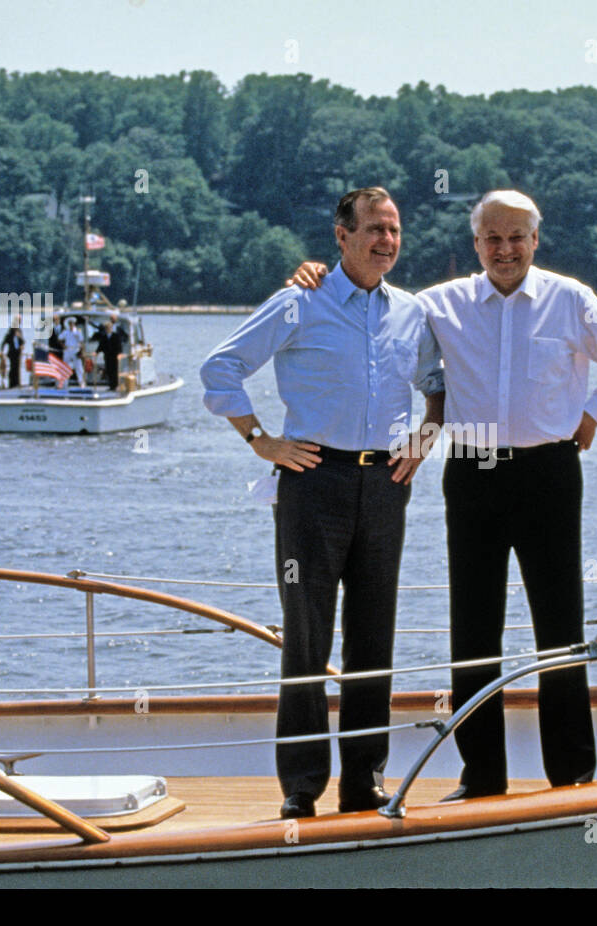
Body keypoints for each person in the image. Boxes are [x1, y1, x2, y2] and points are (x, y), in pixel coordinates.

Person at [290, 189, 597, 799]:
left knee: (559, 628)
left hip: (550, 471)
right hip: (474, 469)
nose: (504, 250)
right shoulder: (439, 304)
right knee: (473, 630)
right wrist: (314, 274)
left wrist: (590, 417)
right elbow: (373, 299)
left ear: (535, 241)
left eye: (516, 238)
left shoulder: (569, 300)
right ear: (476, 243)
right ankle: (482, 776)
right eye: (492, 239)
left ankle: (572, 774)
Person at [201, 187, 444, 819]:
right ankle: (301, 788)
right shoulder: (298, 302)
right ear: (341, 236)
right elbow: (220, 368)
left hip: (387, 484)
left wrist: (428, 430)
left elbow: (437, 383)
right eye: (372, 229)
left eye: (393, 229)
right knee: (306, 638)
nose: (385, 240)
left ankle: (363, 782)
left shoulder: (412, 312)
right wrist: (261, 440)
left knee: (374, 638)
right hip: (312, 482)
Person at [93, 315, 124, 390]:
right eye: (106, 328)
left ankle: (115, 385)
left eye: (109, 328)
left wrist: (119, 353)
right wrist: (96, 352)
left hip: (114, 355)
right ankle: (111, 385)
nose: (107, 329)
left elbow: (119, 345)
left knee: (114, 370)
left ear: (111, 328)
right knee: (109, 370)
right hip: (107, 356)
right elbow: (101, 346)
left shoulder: (115, 336)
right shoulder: (104, 337)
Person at [0, 318, 25, 388]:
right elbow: (4, 342)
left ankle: (17, 384)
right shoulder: (10, 332)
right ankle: (11, 384)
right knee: (12, 369)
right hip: (11, 354)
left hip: (18, 353)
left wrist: (19, 337)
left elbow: (23, 342)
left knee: (17, 369)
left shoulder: (19, 331)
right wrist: (2, 351)